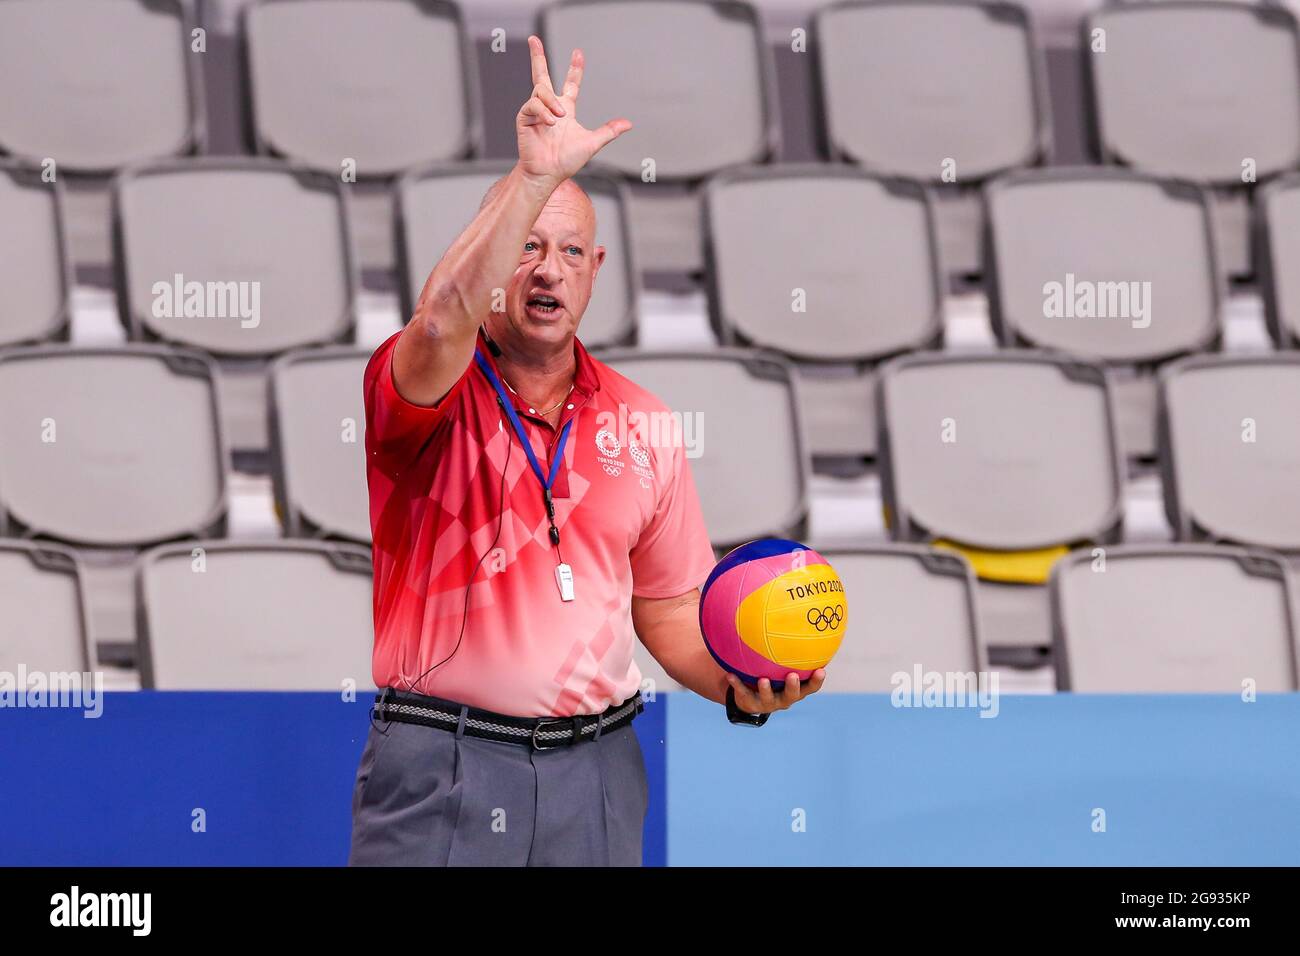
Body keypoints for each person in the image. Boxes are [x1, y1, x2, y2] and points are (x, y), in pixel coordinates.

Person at [349, 36, 825, 867]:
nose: (548, 270)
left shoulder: (643, 424)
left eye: (570, 252)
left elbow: (673, 612)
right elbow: (437, 324)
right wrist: (532, 177)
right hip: (444, 761)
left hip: (600, 771)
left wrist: (743, 690)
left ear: (596, 270)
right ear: (495, 261)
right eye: (527, 245)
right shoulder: (424, 391)